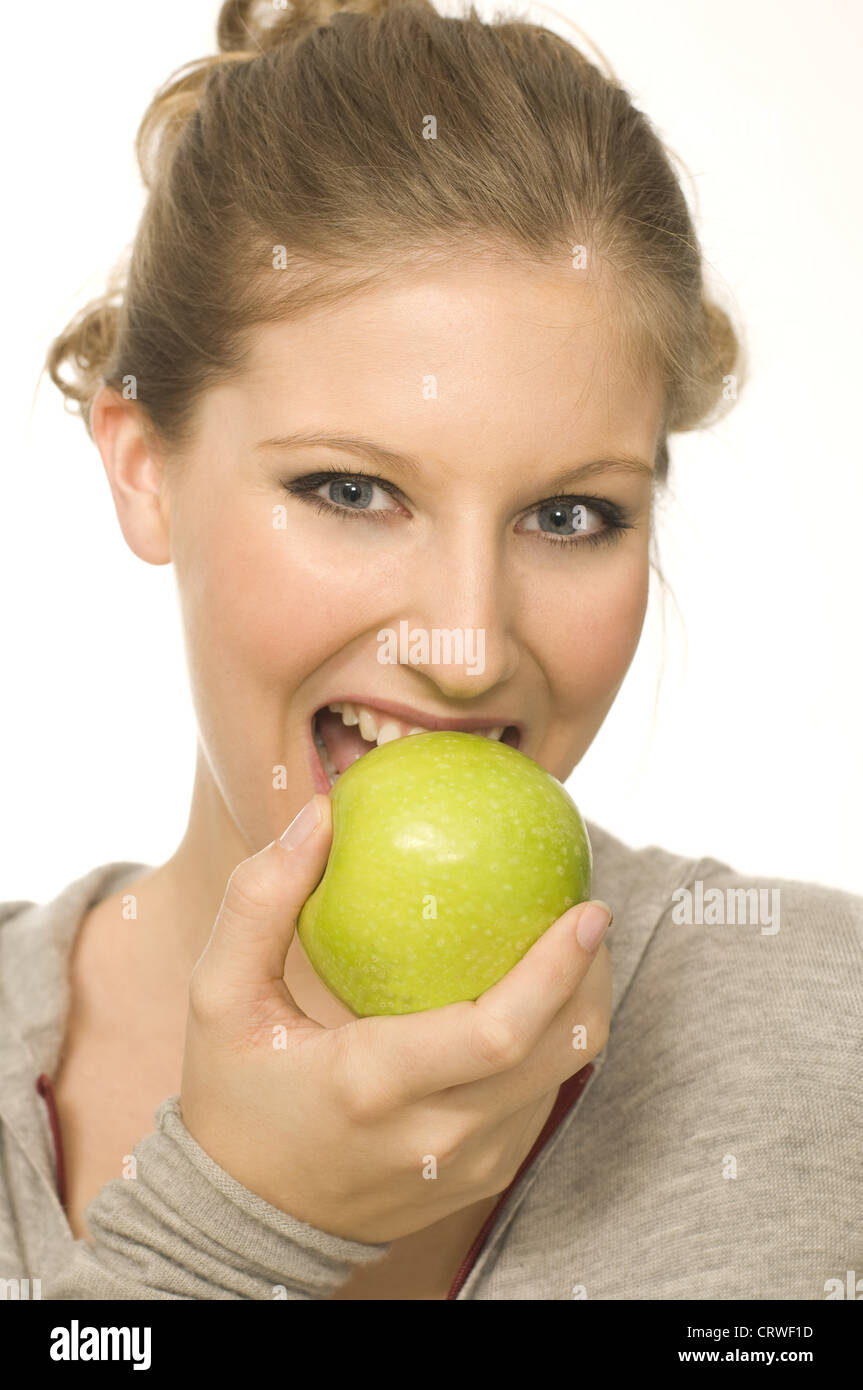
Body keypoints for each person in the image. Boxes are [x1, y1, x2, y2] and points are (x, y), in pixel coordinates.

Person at [1, 0, 859, 1302]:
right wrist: (224, 1229)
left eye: (572, 514)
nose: (466, 643)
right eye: (351, 490)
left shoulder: (829, 1032)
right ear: (144, 468)